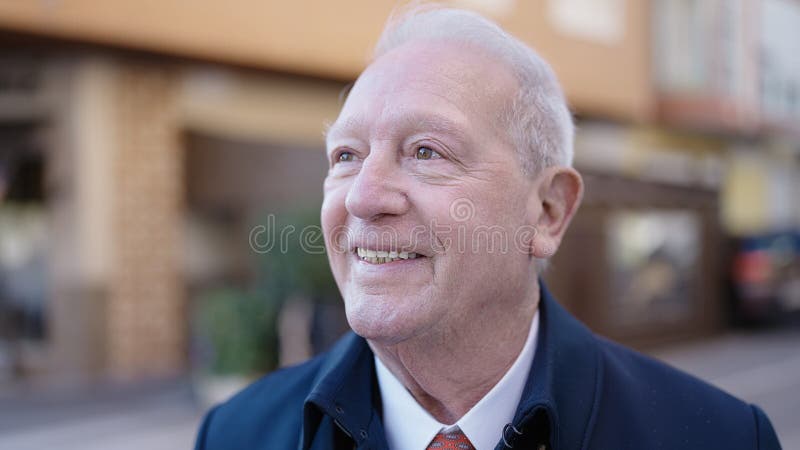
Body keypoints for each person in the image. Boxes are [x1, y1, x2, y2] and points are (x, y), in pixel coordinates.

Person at [194, 6, 782, 450]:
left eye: (426, 151)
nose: (365, 198)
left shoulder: (719, 437)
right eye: (346, 155)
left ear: (549, 211)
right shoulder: (235, 435)